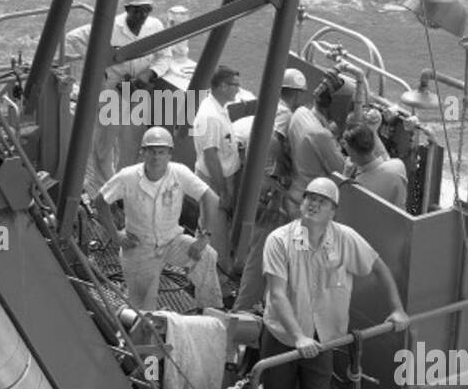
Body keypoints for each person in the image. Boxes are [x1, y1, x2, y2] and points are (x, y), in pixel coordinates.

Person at [260, 177, 408, 389]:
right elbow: (277, 295)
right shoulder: (279, 241)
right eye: (310, 198)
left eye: (321, 201)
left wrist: (397, 308)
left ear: (333, 212)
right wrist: (298, 337)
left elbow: (379, 267)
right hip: (282, 339)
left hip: (324, 340)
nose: (313, 205)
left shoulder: (344, 239)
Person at [93, 127, 223, 312]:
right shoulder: (128, 177)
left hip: (171, 240)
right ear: (142, 153)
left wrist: (204, 237)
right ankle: (143, 329)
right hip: (139, 247)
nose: (156, 157)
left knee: (207, 255)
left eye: (161, 152)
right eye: (151, 151)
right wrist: (116, 236)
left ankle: (209, 311)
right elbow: (100, 201)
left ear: (170, 154)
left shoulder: (179, 173)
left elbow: (210, 198)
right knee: (143, 310)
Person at [66, 0, 169, 183]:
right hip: (114, 90)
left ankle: (126, 181)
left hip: (138, 91)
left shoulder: (155, 26)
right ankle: (104, 182)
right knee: (106, 140)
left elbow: (165, 56)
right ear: (127, 9)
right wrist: (100, 61)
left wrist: (149, 73)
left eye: (146, 9)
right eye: (137, 10)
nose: (142, 15)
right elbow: (73, 37)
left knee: (132, 140)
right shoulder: (110, 27)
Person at [234, 69, 309, 312]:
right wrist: (284, 168)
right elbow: (274, 141)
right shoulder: (286, 113)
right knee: (261, 256)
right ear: (297, 94)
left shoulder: (273, 105)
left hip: (255, 181)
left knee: (263, 251)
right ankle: (242, 310)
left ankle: (254, 303)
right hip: (268, 192)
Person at [191, 65, 242, 263]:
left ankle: (197, 273)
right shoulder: (211, 115)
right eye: (234, 85)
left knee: (206, 226)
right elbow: (211, 156)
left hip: (217, 179)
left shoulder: (217, 108)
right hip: (215, 181)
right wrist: (223, 192)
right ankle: (219, 282)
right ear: (222, 86)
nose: (238, 89)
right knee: (216, 233)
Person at [286, 78, 346, 212]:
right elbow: (342, 171)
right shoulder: (322, 135)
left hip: (295, 193)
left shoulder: (300, 112)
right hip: (310, 206)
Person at [342, 123, 408, 208]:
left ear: (353, 153)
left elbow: (341, 204)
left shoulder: (359, 186)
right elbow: (384, 159)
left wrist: (345, 175)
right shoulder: (398, 166)